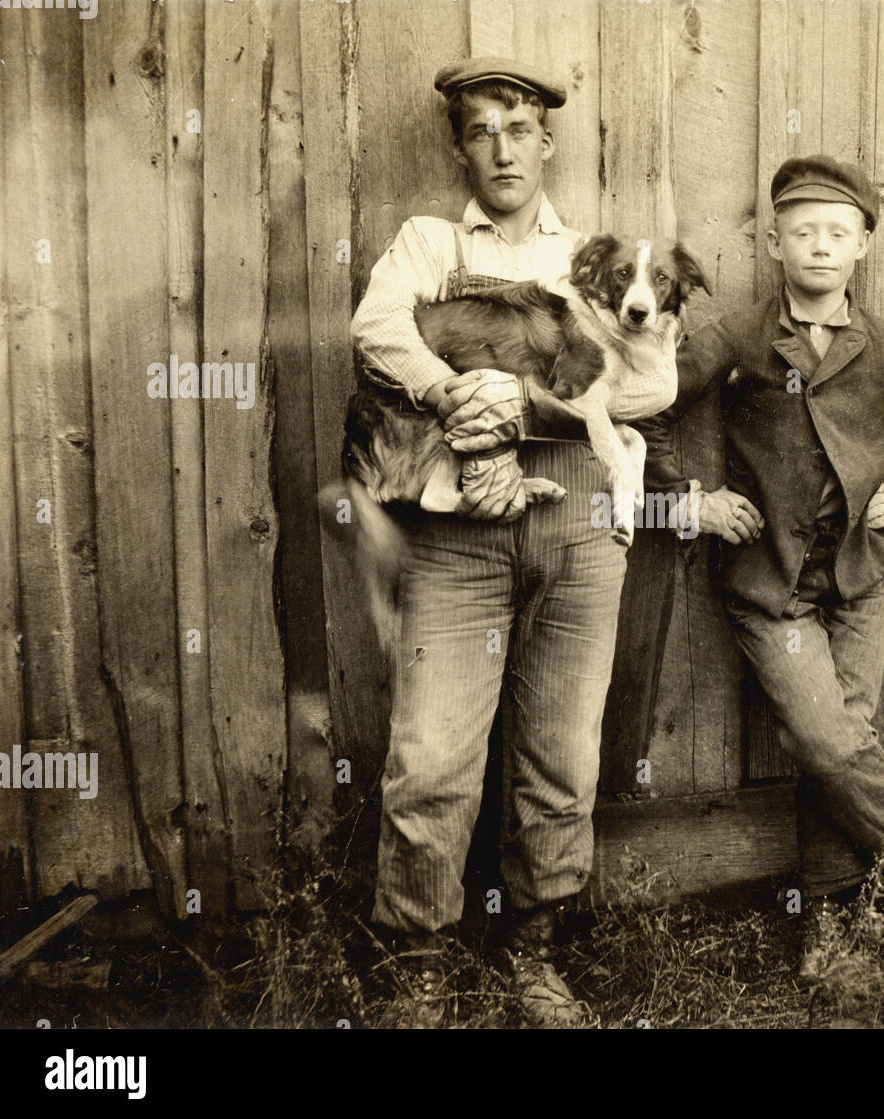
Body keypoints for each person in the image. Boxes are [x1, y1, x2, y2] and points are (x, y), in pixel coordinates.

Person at [636, 154, 884, 982]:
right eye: (803, 232)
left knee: (844, 745)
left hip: (859, 576)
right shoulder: (740, 336)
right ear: (773, 242)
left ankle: (828, 930)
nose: (820, 248)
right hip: (772, 587)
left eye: (838, 233)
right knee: (829, 746)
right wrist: (691, 499)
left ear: (863, 244)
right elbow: (646, 405)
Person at [349, 56, 617, 1027]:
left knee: (561, 755)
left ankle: (535, 952)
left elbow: (629, 389)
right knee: (430, 754)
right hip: (455, 531)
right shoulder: (426, 243)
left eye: (517, 128)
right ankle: (418, 960)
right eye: (479, 130)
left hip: (575, 520)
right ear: (460, 146)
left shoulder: (592, 260)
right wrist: (450, 390)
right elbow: (380, 332)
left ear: (545, 141)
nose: (501, 149)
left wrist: (523, 402)